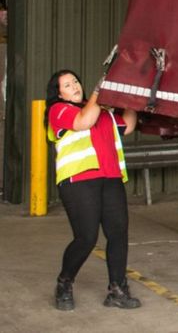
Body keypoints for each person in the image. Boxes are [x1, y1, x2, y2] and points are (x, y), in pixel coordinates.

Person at [44, 69, 142, 310]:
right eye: (67, 85)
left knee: (118, 233)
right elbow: (83, 122)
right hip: (78, 181)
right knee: (86, 238)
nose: (75, 86)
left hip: (110, 178)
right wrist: (100, 91)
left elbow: (127, 126)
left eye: (76, 81)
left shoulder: (103, 112)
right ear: (58, 93)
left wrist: (132, 97)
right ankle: (64, 283)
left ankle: (117, 290)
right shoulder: (59, 111)